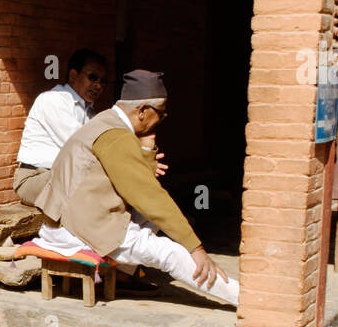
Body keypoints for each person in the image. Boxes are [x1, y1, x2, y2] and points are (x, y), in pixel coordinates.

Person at [34, 69, 239, 308]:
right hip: (76, 230)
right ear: (142, 110)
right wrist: (196, 247)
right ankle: (244, 298)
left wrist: (147, 150)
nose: (162, 120)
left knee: (152, 221)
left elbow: (142, 181)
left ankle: (122, 274)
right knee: (170, 253)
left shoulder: (105, 122)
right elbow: (148, 195)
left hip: (68, 221)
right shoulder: (116, 136)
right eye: (160, 114)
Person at [14, 49, 109, 216]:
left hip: (65, 176)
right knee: (92, 187)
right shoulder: (53, 100)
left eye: (103, 81)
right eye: (92, 77)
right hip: (35, 178)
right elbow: (81, 146)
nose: (98, 86)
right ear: (73, 75)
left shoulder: (89, 112)